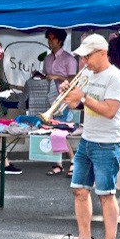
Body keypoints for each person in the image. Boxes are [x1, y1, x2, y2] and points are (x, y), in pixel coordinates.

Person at [59, 34, 120, 239]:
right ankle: (84, 238)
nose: (84, 61)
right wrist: (69, 95)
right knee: (79, 189)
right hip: (87, 139)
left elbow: (109, 111)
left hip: (108, 143)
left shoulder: (115, 77)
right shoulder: (87, 74)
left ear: (102, 53)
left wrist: (84, 97)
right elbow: (77, 104)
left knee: (106, 194)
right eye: (83, 57)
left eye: (88, 56)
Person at [41, 28, 78, 175]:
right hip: (49, 98)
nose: (49, 42)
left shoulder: (69, 59)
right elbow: (46, 76)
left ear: (60, 41)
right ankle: (58, 163)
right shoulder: (47, 59)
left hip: (63, 99)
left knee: (60, 130)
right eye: (48, 39)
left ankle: (73, 160)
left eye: (52, 39)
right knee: (53, 129)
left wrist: (57, 76)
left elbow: (73, 80)